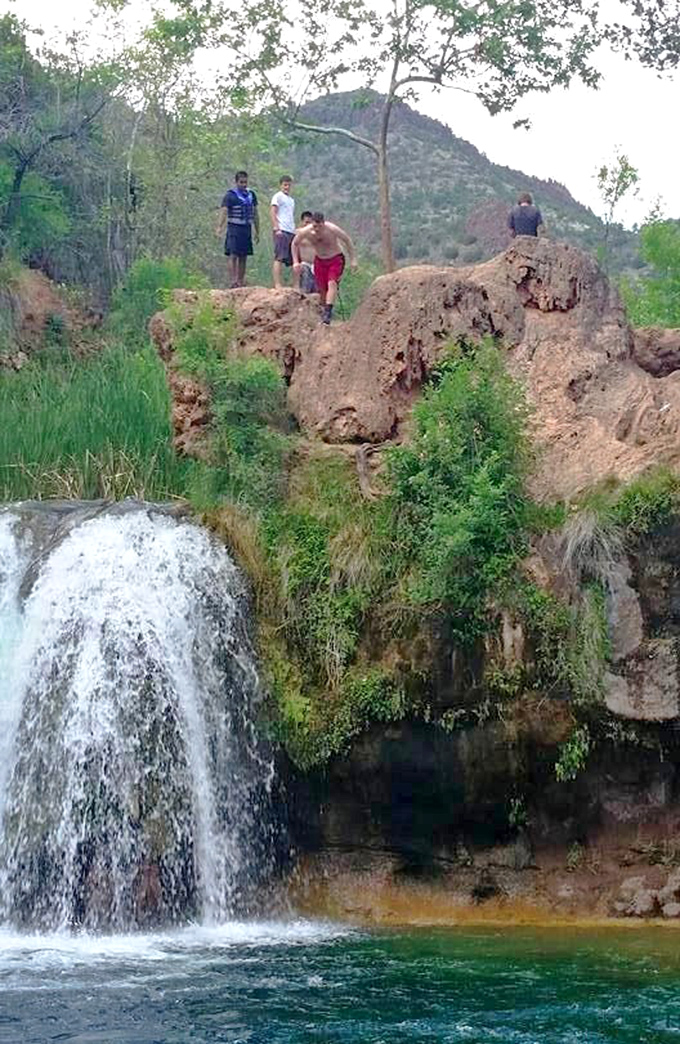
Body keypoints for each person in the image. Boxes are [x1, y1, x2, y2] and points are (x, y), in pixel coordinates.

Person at [291, 212, 357, 324]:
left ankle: (328, 312)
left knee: (332, 283)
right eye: (314, 226)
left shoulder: (332, 229)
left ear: (323, 223)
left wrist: (353, 260)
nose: (317, 229)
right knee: (322, 289)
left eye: (319, 226)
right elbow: (294, 243)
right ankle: (322, 311)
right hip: (320, 261)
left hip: (335, 259)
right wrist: (295, 262)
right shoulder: (307, 231)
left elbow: (347, 240)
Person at [215, 170, 259, 288]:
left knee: (243, 255)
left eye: (245, 182)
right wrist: (219, 227)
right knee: (233, 254)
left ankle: (240, 281)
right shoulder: (230, 195)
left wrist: (257, 231)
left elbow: (255, 213)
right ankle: (233, 281)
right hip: (234, 228)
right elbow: (224, 211)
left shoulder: (251, 195)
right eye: (241, 182)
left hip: (246, 228)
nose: (244, 184)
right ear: (236, 182)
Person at [270, 176, 296, 289]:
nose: (287, 187)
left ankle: (294, 283)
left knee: (293, 258)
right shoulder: (277, 196)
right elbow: (273, 212)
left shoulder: (291, 200)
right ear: (281, 185)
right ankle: (277, 284)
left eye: (289, 185)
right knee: (279, 257)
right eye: (285, 184)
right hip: (281, 230)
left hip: (291, 231)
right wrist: (276, 228)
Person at [296, 211, 317, 294]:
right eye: (306, 222)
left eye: (310, 222)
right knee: (305, 290)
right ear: (302, 222)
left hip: (317, 266)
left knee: (318, 292)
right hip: (305, 265)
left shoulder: (316, 233)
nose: (308, 225)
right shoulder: (298, 234)